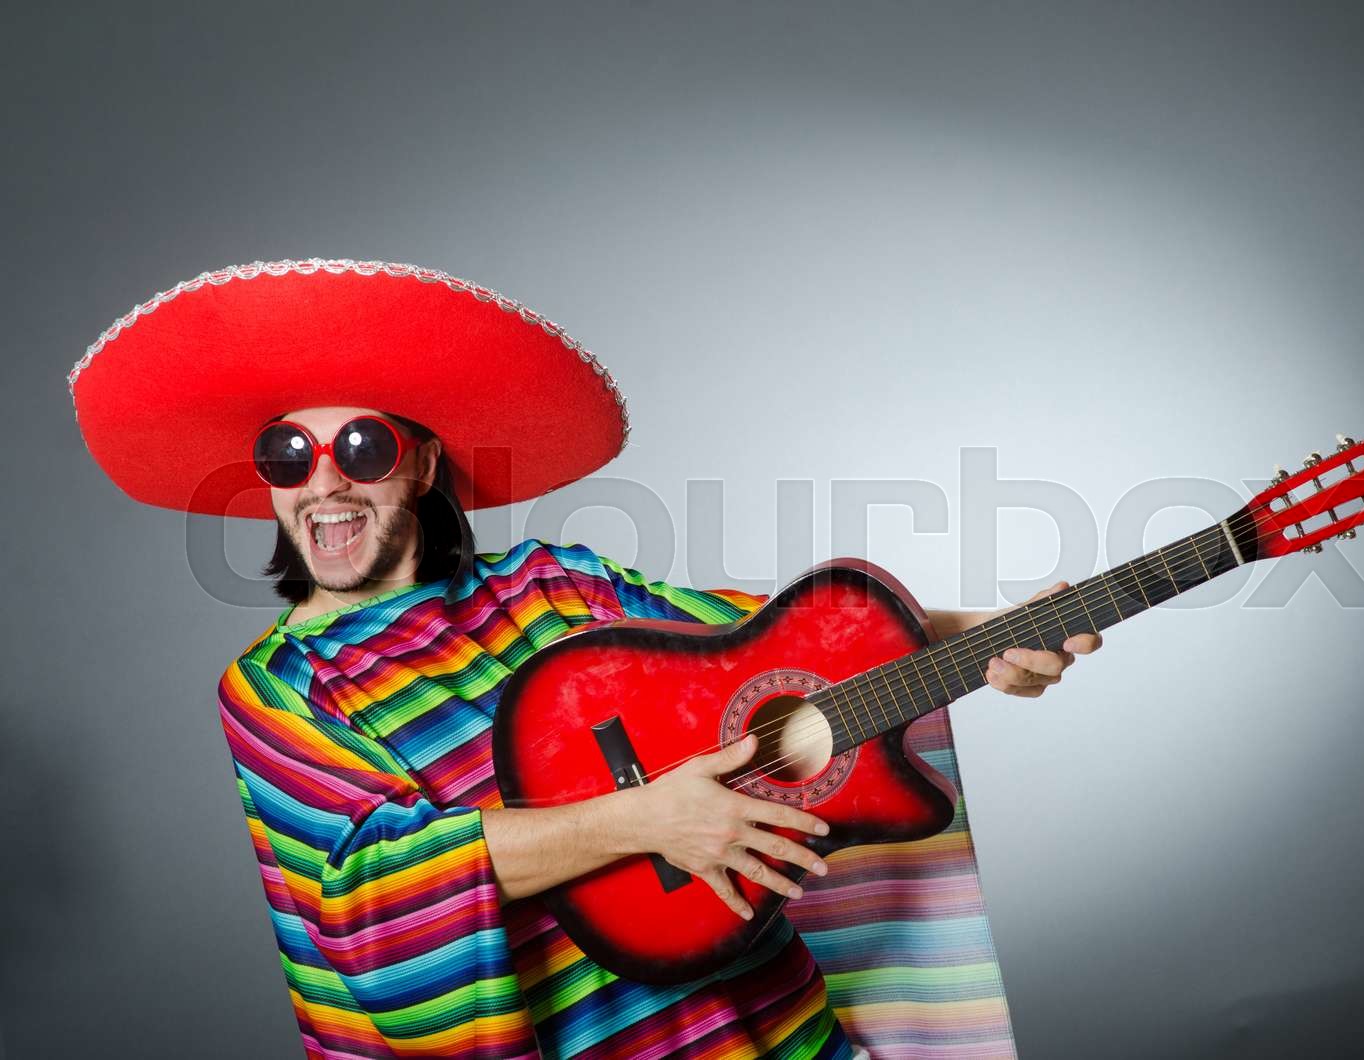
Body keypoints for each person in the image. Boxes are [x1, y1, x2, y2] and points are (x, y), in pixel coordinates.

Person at [68, 259, 1102, 1059]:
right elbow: (375, 892)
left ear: (421, 465)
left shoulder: (554, 585)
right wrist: (643, 821)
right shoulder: (277, 690)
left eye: (364, 448)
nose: (324, 484)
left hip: (775, 1027)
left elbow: (791, 646)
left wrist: (991, 634)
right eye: (289, 455)